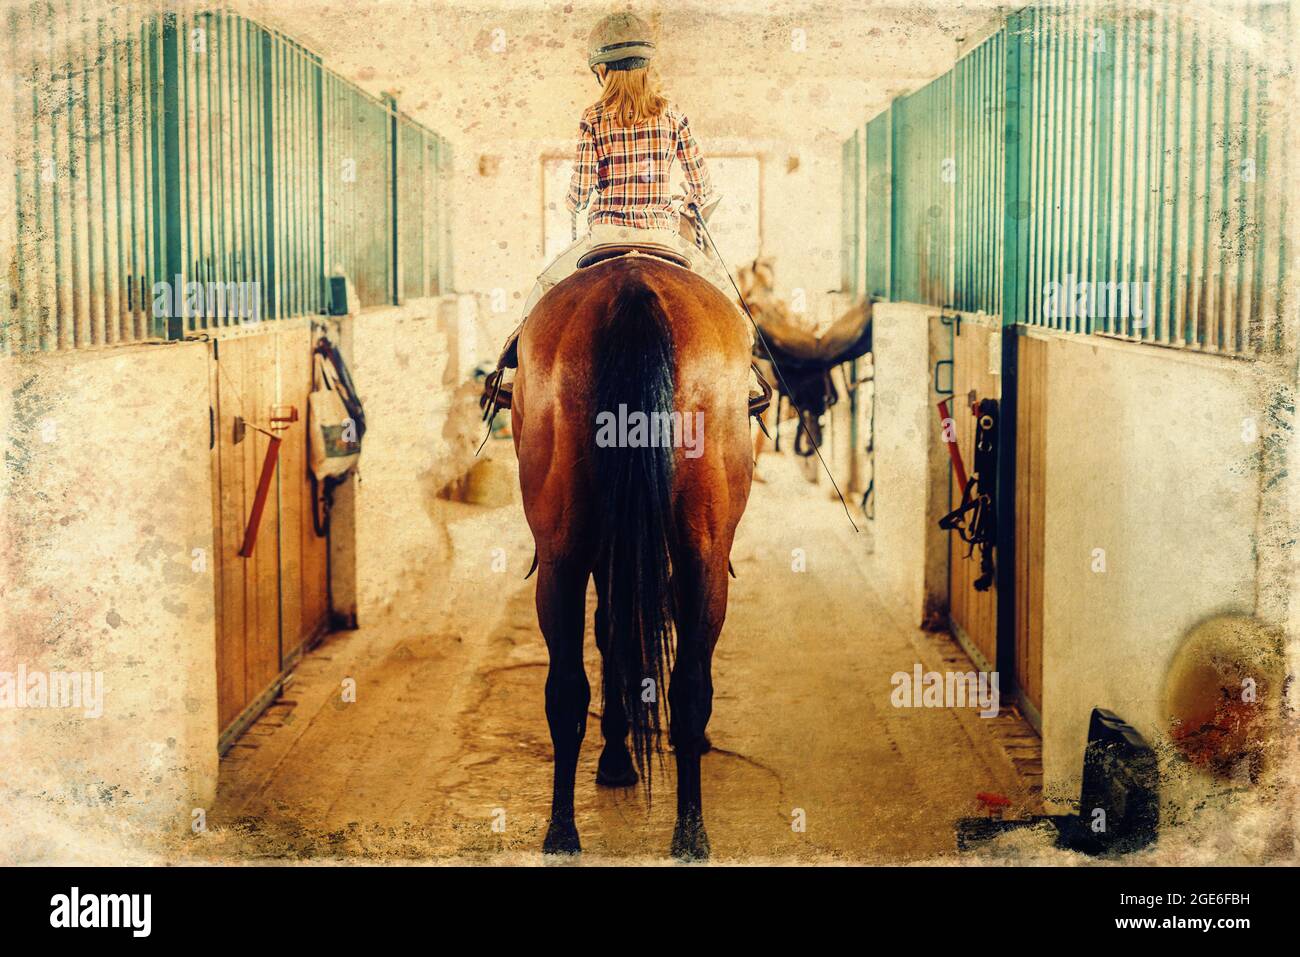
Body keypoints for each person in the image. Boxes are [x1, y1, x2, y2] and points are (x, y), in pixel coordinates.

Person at [490, 11, 737, 378]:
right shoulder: (673, 116)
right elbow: (702, 188)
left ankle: (517, 375)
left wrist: (572, 202)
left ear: (601, 70)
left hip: (606, 234)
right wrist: (689, 201)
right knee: (723, 299)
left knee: (545, 288)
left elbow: (582, 187)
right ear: (646, 66)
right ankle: (745, 378)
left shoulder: (593, 117)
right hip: (661, 235)